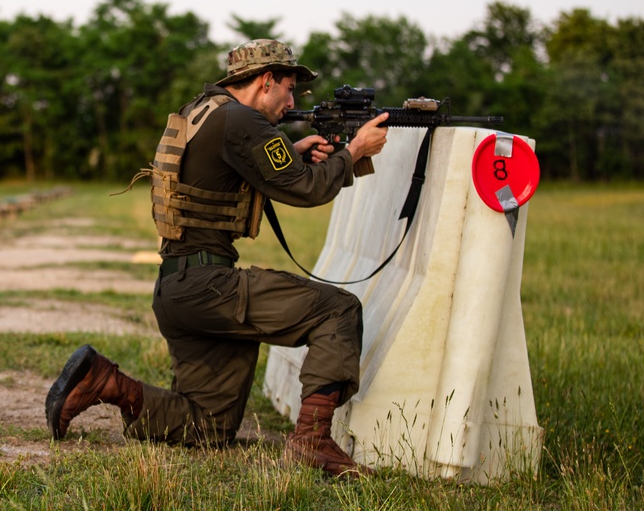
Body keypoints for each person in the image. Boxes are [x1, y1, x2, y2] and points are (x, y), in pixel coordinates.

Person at [45, 39, 388, 476]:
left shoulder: (205, 110)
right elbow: (307, 189)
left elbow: (238, 174)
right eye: (289, 88)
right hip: (210, 288)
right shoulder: (242, 120)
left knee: (209, 427)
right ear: (265, 81)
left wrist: (297, 156)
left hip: (178, 290)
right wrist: (355, 150)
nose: (292, 100)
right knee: (338, 310)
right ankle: (313, 440)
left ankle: (107, 383)